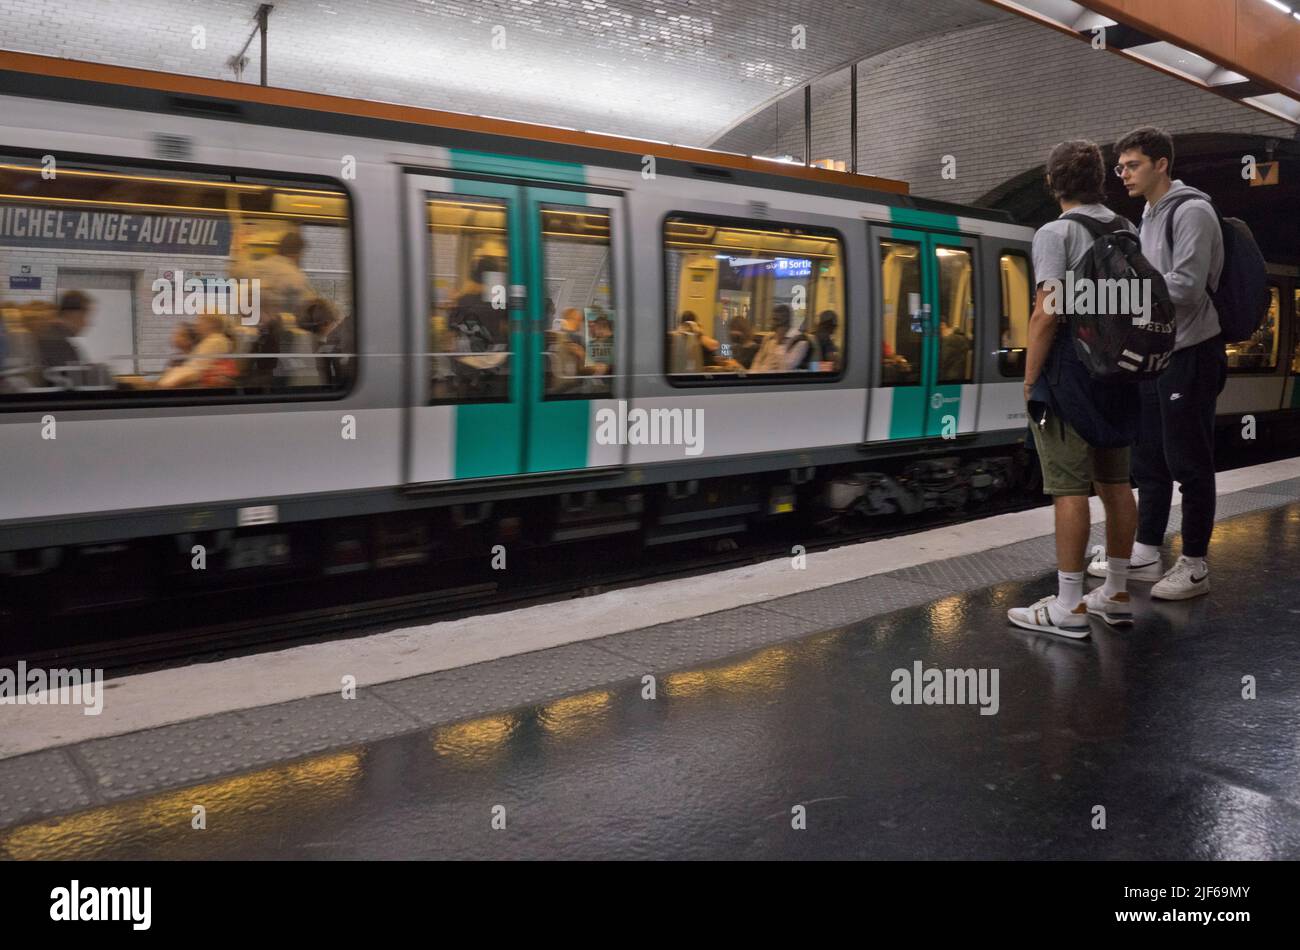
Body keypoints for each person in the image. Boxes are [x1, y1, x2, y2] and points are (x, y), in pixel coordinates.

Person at [1007, 140, 1141, 638]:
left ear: (1052, 184)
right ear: (1101, 180)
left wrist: (1029, 377)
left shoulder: (1055, 232)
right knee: (1116, 484)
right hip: (1119, 371)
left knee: (1069, 489)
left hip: (1070, 374)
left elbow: (1048, 310)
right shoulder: (1126, 228)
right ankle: (1118, 592)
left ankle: (1068, 606)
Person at [1088, 127, 1226, 600]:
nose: (1122, 174)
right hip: (1157, 353)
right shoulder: (1147, 215)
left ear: (1161, 164)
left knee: (1189, 460)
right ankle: (1146, 549)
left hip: (1191, 352)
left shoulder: (1193, 212)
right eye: (1120, 167)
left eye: (1132, 165)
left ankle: (1195, 563)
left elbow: (1185, 288)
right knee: (1149, 457)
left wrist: (1128, 294)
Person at [157, 313, 237, 389]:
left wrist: (169, 383)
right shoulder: (210, 341)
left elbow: (197, 371)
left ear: (211, 324)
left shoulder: (216, 341)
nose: (197, 324)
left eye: (201, 320)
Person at [547, 307, 609, 394]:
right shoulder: (577, 339)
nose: (580, 324)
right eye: (579, 320)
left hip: (558, 386)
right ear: (573, 320)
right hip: (574, 387)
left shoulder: (554, 336)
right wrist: (599, 367)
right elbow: (584, 368)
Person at [750, 304, 810, 373]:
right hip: (759, 377)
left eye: (775, 319)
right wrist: (753, 374)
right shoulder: (769, 338)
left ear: (785, 320)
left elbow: (786, 368)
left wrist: (780, 343)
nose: (771, 322)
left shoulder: (799, 341)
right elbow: (757, 360)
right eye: (772, 319)